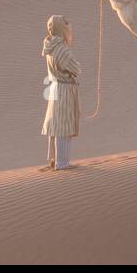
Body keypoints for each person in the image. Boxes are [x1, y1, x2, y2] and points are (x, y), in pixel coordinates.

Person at [41, 15, 81, 170]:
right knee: (63, 125)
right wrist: (76, 67)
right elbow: (75, 68)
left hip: (55, 87)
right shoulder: (61, 49)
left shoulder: (50, 46)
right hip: (63, 88)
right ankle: (62, 162)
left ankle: (54, 158)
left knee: (56, 124)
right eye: (66, 25)